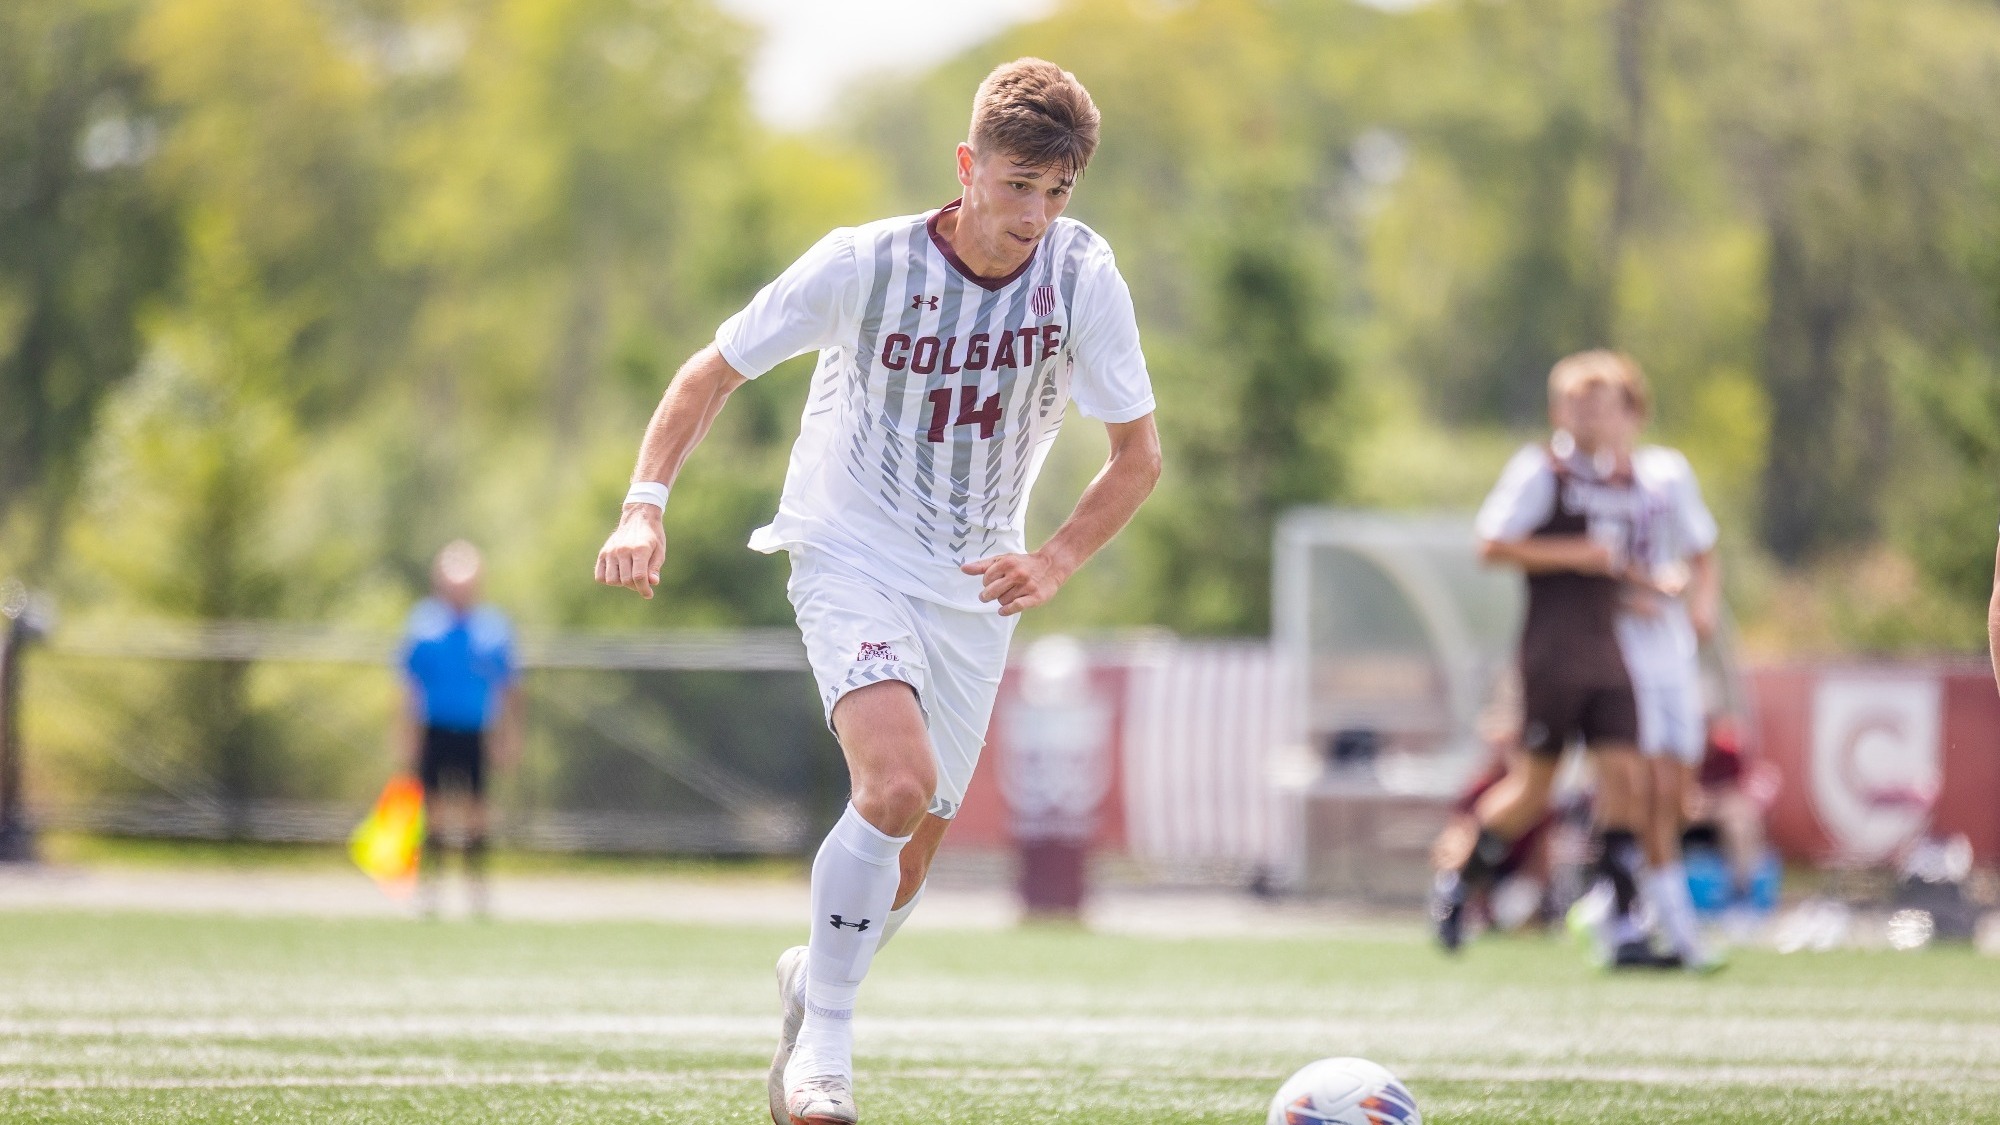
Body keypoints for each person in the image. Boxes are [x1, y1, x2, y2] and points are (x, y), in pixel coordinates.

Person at [593, 58, 1160, 1125]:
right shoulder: (863, 263)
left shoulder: (1082, 276)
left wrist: (1053, 561)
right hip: (847, 552)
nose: (1033, 214)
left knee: (906, 861)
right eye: (1015, 185)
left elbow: (1135, 456)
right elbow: (706, 372)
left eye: (1057, 192)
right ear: (966, 166)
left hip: (973, 586)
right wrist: (642, 502)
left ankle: (814, 981)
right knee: (892, 787)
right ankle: (829, 1054)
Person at [1433, 350, 1670, 968]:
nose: (1593, 416)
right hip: (1554, 652)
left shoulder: (1630, 481)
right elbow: (1491, 545)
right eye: (1580, 403)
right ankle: (1458, 884)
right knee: (1533, 788)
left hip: (1608, 647)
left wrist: (1643, 589)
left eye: (1605, 403)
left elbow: (1609, 564)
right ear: (1559, 409)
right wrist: (1574, 556)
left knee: (1628, 783)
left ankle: (1623, 928)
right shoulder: (1543, 472)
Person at [1605, 375, 1724, 970]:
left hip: (1670, 647)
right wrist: (1637, 593)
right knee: (1646, 788)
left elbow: (1703, 547)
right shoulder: (1584, 481)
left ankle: (1611, 905)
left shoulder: (1666, 473)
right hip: (1621, 649)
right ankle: (1677, 929)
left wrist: (1701, 604)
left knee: (1677, 793)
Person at [397, 540, 521, 918]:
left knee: (477, 814)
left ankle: (477, 890)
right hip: (434, 729)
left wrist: (508, 735)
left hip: (475, 731)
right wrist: (406, 735)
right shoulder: (423, 626)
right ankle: (429, 889)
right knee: (431, 813)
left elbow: (509, 688)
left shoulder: (493, 628)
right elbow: (409, 686)